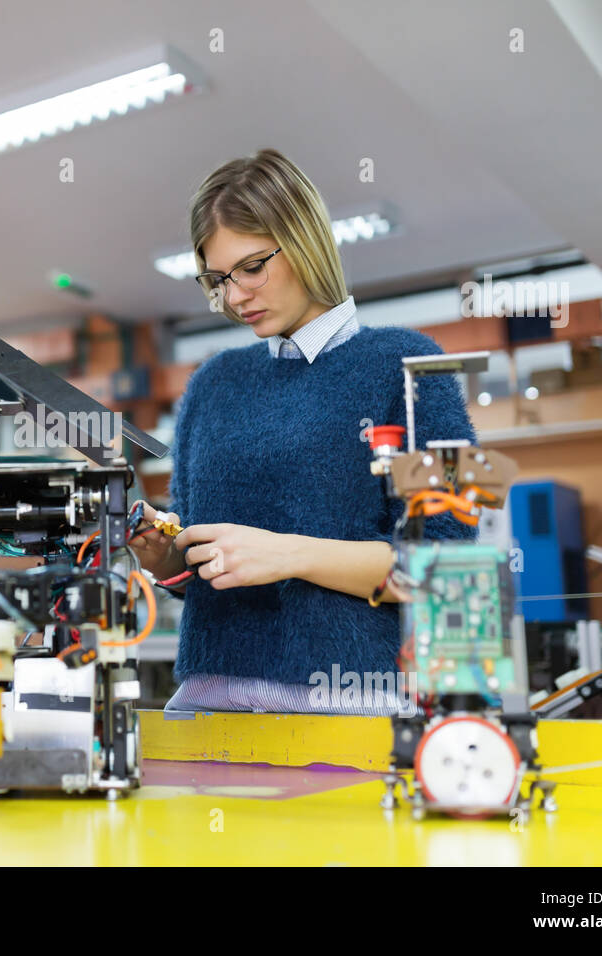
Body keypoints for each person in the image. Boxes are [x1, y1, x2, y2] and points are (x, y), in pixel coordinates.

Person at [129, 149, 477, 714]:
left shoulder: (411, 367)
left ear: (305, 240)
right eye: (217, 279)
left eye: (252, 266)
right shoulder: (213, 383)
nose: (235, 295)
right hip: (208, 704)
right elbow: (195, 560)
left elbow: (445, 570)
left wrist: (288, 554)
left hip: (353, 705)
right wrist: (162, 555)